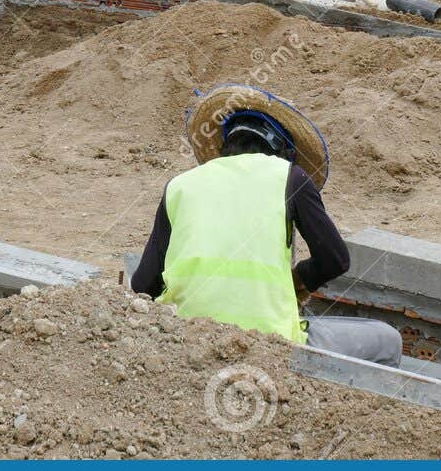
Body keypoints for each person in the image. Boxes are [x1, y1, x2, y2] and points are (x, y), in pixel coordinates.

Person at [130, 83, 402, 365]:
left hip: (188, 337)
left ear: (225, 147)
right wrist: (299, 280)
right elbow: (335, 259)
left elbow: (142, 285)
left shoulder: (179, 186)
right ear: (281, 152)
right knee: (387, 341)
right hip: (271, 345)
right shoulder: (292, 178)